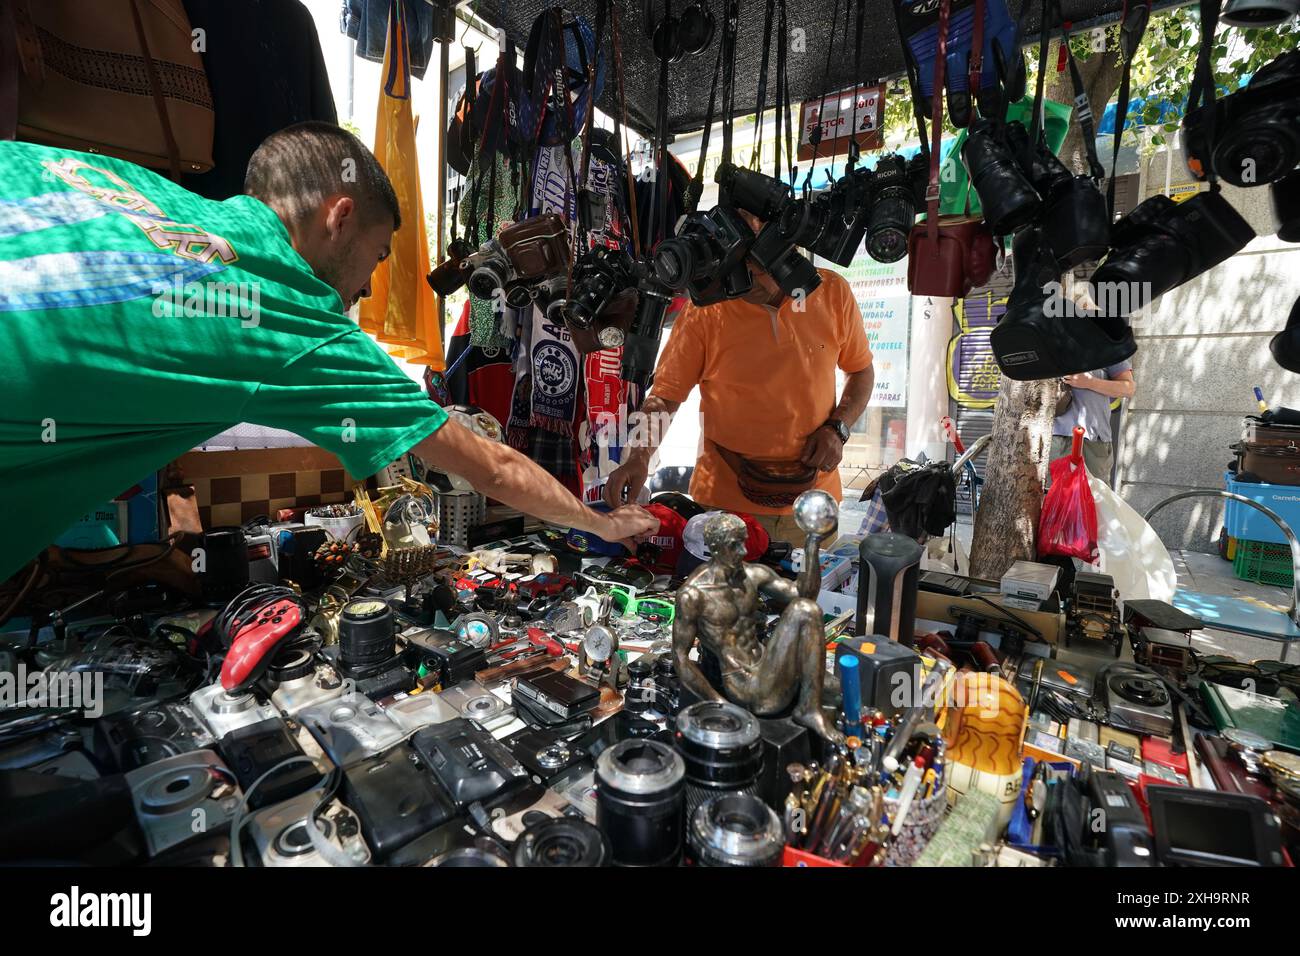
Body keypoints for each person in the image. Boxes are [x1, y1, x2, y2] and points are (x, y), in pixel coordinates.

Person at [0, 124, 655, 582]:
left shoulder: (102, 175)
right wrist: (597, 523)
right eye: (374, 257)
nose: (367, 286)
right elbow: (491, 469)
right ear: (339, 217)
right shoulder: (287, 316)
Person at [604, 215, 875, 542]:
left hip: (813, 506)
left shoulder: (832, 293)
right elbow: (665, 396)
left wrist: (838, 428)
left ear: (782, 252)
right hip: (725, 508)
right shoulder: (706, 309)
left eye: (752, 266)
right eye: (733, 268)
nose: (743, 281)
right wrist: (638, 456)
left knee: (810, 594)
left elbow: (860, 370)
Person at [672, 512, 841, 742]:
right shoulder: (693, 595)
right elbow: (680, 658)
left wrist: (812, 543)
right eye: (734, 545)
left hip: (766, 664)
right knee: (805, 610)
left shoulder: (752, 574)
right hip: (745, 685)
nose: (743, 551)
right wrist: (718, 703)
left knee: (836, 690)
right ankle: (808, 710)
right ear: (715, 547)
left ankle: (810, 709)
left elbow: (805, 593)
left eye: (743, 542)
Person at [1052, 363, 1136, 486]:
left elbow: (1128, 389)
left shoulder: (1107, 345)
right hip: (1050, 439)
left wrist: (1089, 382)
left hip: (1093, 442)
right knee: (1049, 500)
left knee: (1093, 500)